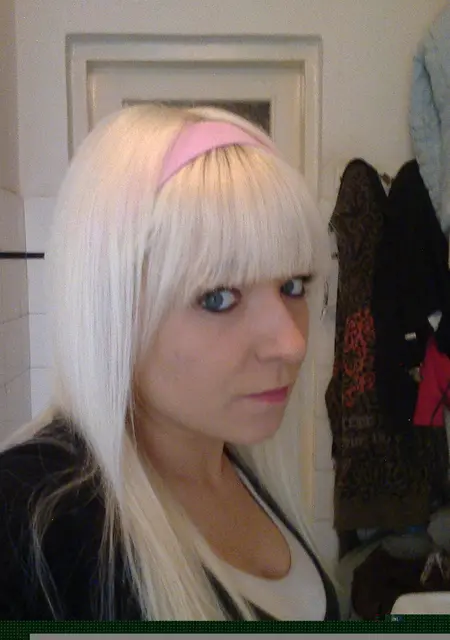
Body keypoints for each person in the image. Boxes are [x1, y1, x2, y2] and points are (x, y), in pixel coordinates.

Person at [0, 104, 340, 620]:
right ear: (112, 309)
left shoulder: (228, 461)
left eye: (293, 285)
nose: (291, 343)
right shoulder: (30, 520)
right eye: (219, 298)